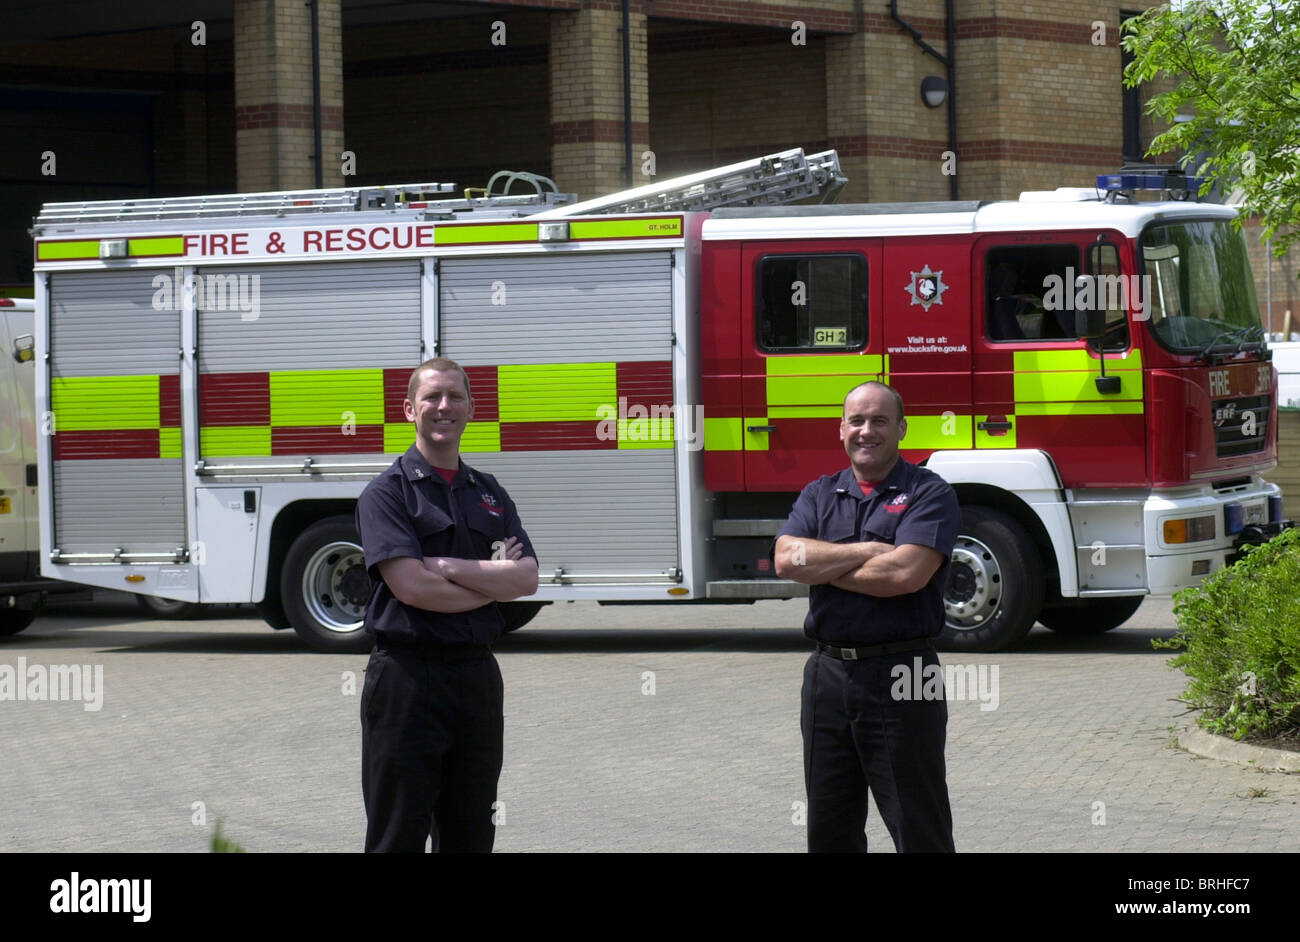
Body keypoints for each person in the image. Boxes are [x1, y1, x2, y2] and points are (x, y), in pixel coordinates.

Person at [357, 356, 539, 853]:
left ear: (471, 409)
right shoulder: (387, 494)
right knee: (397, 837)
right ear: (408, 409)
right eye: (432, 397)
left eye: (455, 397)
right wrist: (489, 583)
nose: (444, 406)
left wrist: (449, 567)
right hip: (407, 682)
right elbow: (412, 588)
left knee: (472, 836)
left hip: (476, 680)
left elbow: (526, 578)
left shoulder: (489, 493)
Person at [773, 380, 959, 853]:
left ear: (901, 428)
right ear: (841, 430)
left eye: (879, 420)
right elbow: (784, 560)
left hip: (905, 673)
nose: (866, 430)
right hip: (827, 676)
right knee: (829, 829)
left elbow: (904, 574)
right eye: (856, 420)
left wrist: (822, 565)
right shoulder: (819, 493)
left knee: (918, 824)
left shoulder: (929, 493)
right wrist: (866, 552)